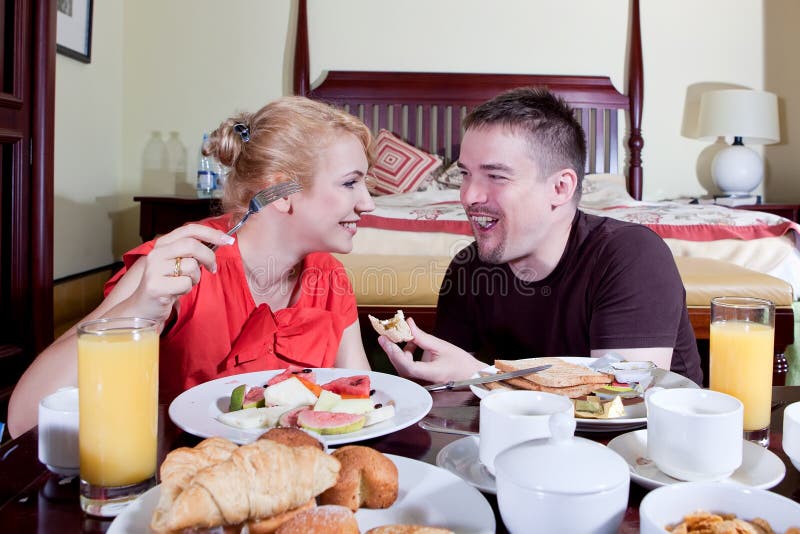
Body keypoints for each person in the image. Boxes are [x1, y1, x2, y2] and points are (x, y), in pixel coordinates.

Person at [8, 96, 375, 437]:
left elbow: (362, 408)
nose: (368, 203)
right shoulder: (178, 266)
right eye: (350, 183)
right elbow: (25, 420)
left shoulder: (330, 276)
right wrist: (139, 309)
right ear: (281, 192)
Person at [379, 87, 703, 386]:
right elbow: (448, 391)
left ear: (560, 187)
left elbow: (625, 399)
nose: (468, 195)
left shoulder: (632, 255)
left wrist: (481, 376)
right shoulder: (469, 267)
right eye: (465, 174)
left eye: (496, 176)